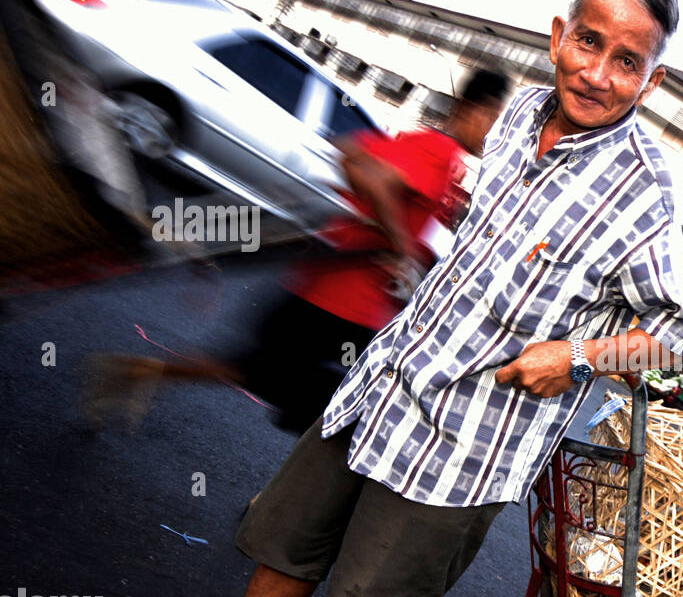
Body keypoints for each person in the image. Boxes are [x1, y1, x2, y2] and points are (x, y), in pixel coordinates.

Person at [103, 0, 683, 597]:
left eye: (627, 62)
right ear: (560, 35)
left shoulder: (652, 193)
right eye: (590, 43)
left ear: (652, 77)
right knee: (287, 542)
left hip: (469, 444)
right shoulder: (520, 114)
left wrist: (576, 355)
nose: (598, 74)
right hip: (385, 379)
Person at [84, 68, 509, 435]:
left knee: (268, 375)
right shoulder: (436, 151)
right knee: (349, 408)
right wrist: (399, 246)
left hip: (338, 298)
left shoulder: (425, 143)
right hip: (340, 306)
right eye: (493, 118)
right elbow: (372, 176)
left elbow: (352, 153)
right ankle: (284, 510)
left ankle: (141, 372)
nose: (493, 131)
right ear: (475, 110)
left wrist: (387, 232)